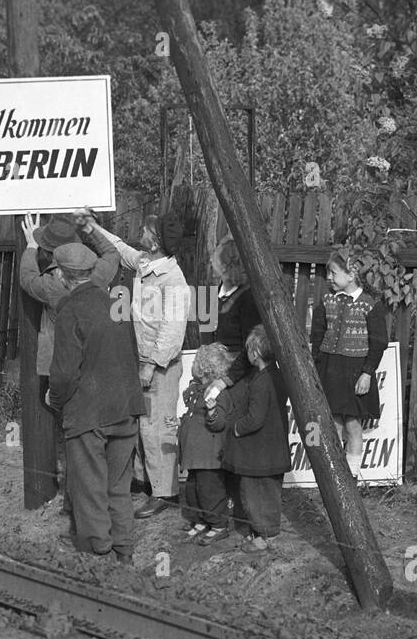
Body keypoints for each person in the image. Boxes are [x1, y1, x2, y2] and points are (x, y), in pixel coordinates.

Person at [76, 208, 189, 520]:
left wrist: (151, 365)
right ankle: (143, 480)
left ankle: (165, 492)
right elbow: (119, 247)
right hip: (139, 359)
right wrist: (91, 227)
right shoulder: (145, 261)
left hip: (159, 366)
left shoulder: (173, 280)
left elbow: (172, 330)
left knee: (158, 430)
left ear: (155, 243)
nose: (140, 233)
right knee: (140, 425)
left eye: (145, 231)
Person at [48, 242, 146, 564]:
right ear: (90, 272)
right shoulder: (116, 302)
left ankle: (97, 556)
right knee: (118, 487)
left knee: (90, 488)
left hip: (90, 413)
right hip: (127, 409)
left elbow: (64, 374)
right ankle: (124, 553)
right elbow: (132, 354)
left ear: (63, 275)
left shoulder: (69, 311)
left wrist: (55, 398)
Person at [18, 212, 120, 526]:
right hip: (94, 365)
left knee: (71, 438)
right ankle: (79, 501)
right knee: (86, 437)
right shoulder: (98, 276)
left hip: (59, 366)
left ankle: (73, 503)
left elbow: (26, 279)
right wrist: (90, 229)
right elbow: (113, 254)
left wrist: (29, 245)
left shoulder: (51, 284)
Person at [310, 249, 389, 479]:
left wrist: (367, 373)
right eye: (328, 273)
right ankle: (333, 474)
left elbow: (378, 343)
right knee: (332, 422)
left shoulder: (370, 305)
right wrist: (317, 366)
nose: (329, 278)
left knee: (353, 424)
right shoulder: (326, 302)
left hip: (355, 372)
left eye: (333, 273)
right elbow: (317, 336)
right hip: (330, 369)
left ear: (351, 274)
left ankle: (351, 475)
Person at [212, 325, 291, 551]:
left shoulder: (259, 382)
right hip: (272, 448)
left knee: (257, 492)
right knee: (266, 491)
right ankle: (262, 531)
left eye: (248, 350)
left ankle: (267, 536)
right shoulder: (276, 375)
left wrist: (236, 427)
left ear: (255, 354)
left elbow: (255, 419)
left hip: (261, 453)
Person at [177, 342, 236, 546]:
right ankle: (200, 520)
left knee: (210, 491)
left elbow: (219, 423)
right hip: (195, 454)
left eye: (195, 361)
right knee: (192, 490)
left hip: (209, 455)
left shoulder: (216, 392)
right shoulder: (197, 388)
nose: (192, 364)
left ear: (203, 368)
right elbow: (192, 415)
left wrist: (212, 411)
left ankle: (219, 524)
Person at [203, 234, 263, 409]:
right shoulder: (211, 294)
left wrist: (224, 381)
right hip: (211, 376)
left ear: (226, 266)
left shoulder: (248, 298)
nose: (211, 260)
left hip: (237, 381)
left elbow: (250, 347)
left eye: (215, 257)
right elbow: (206, 338)